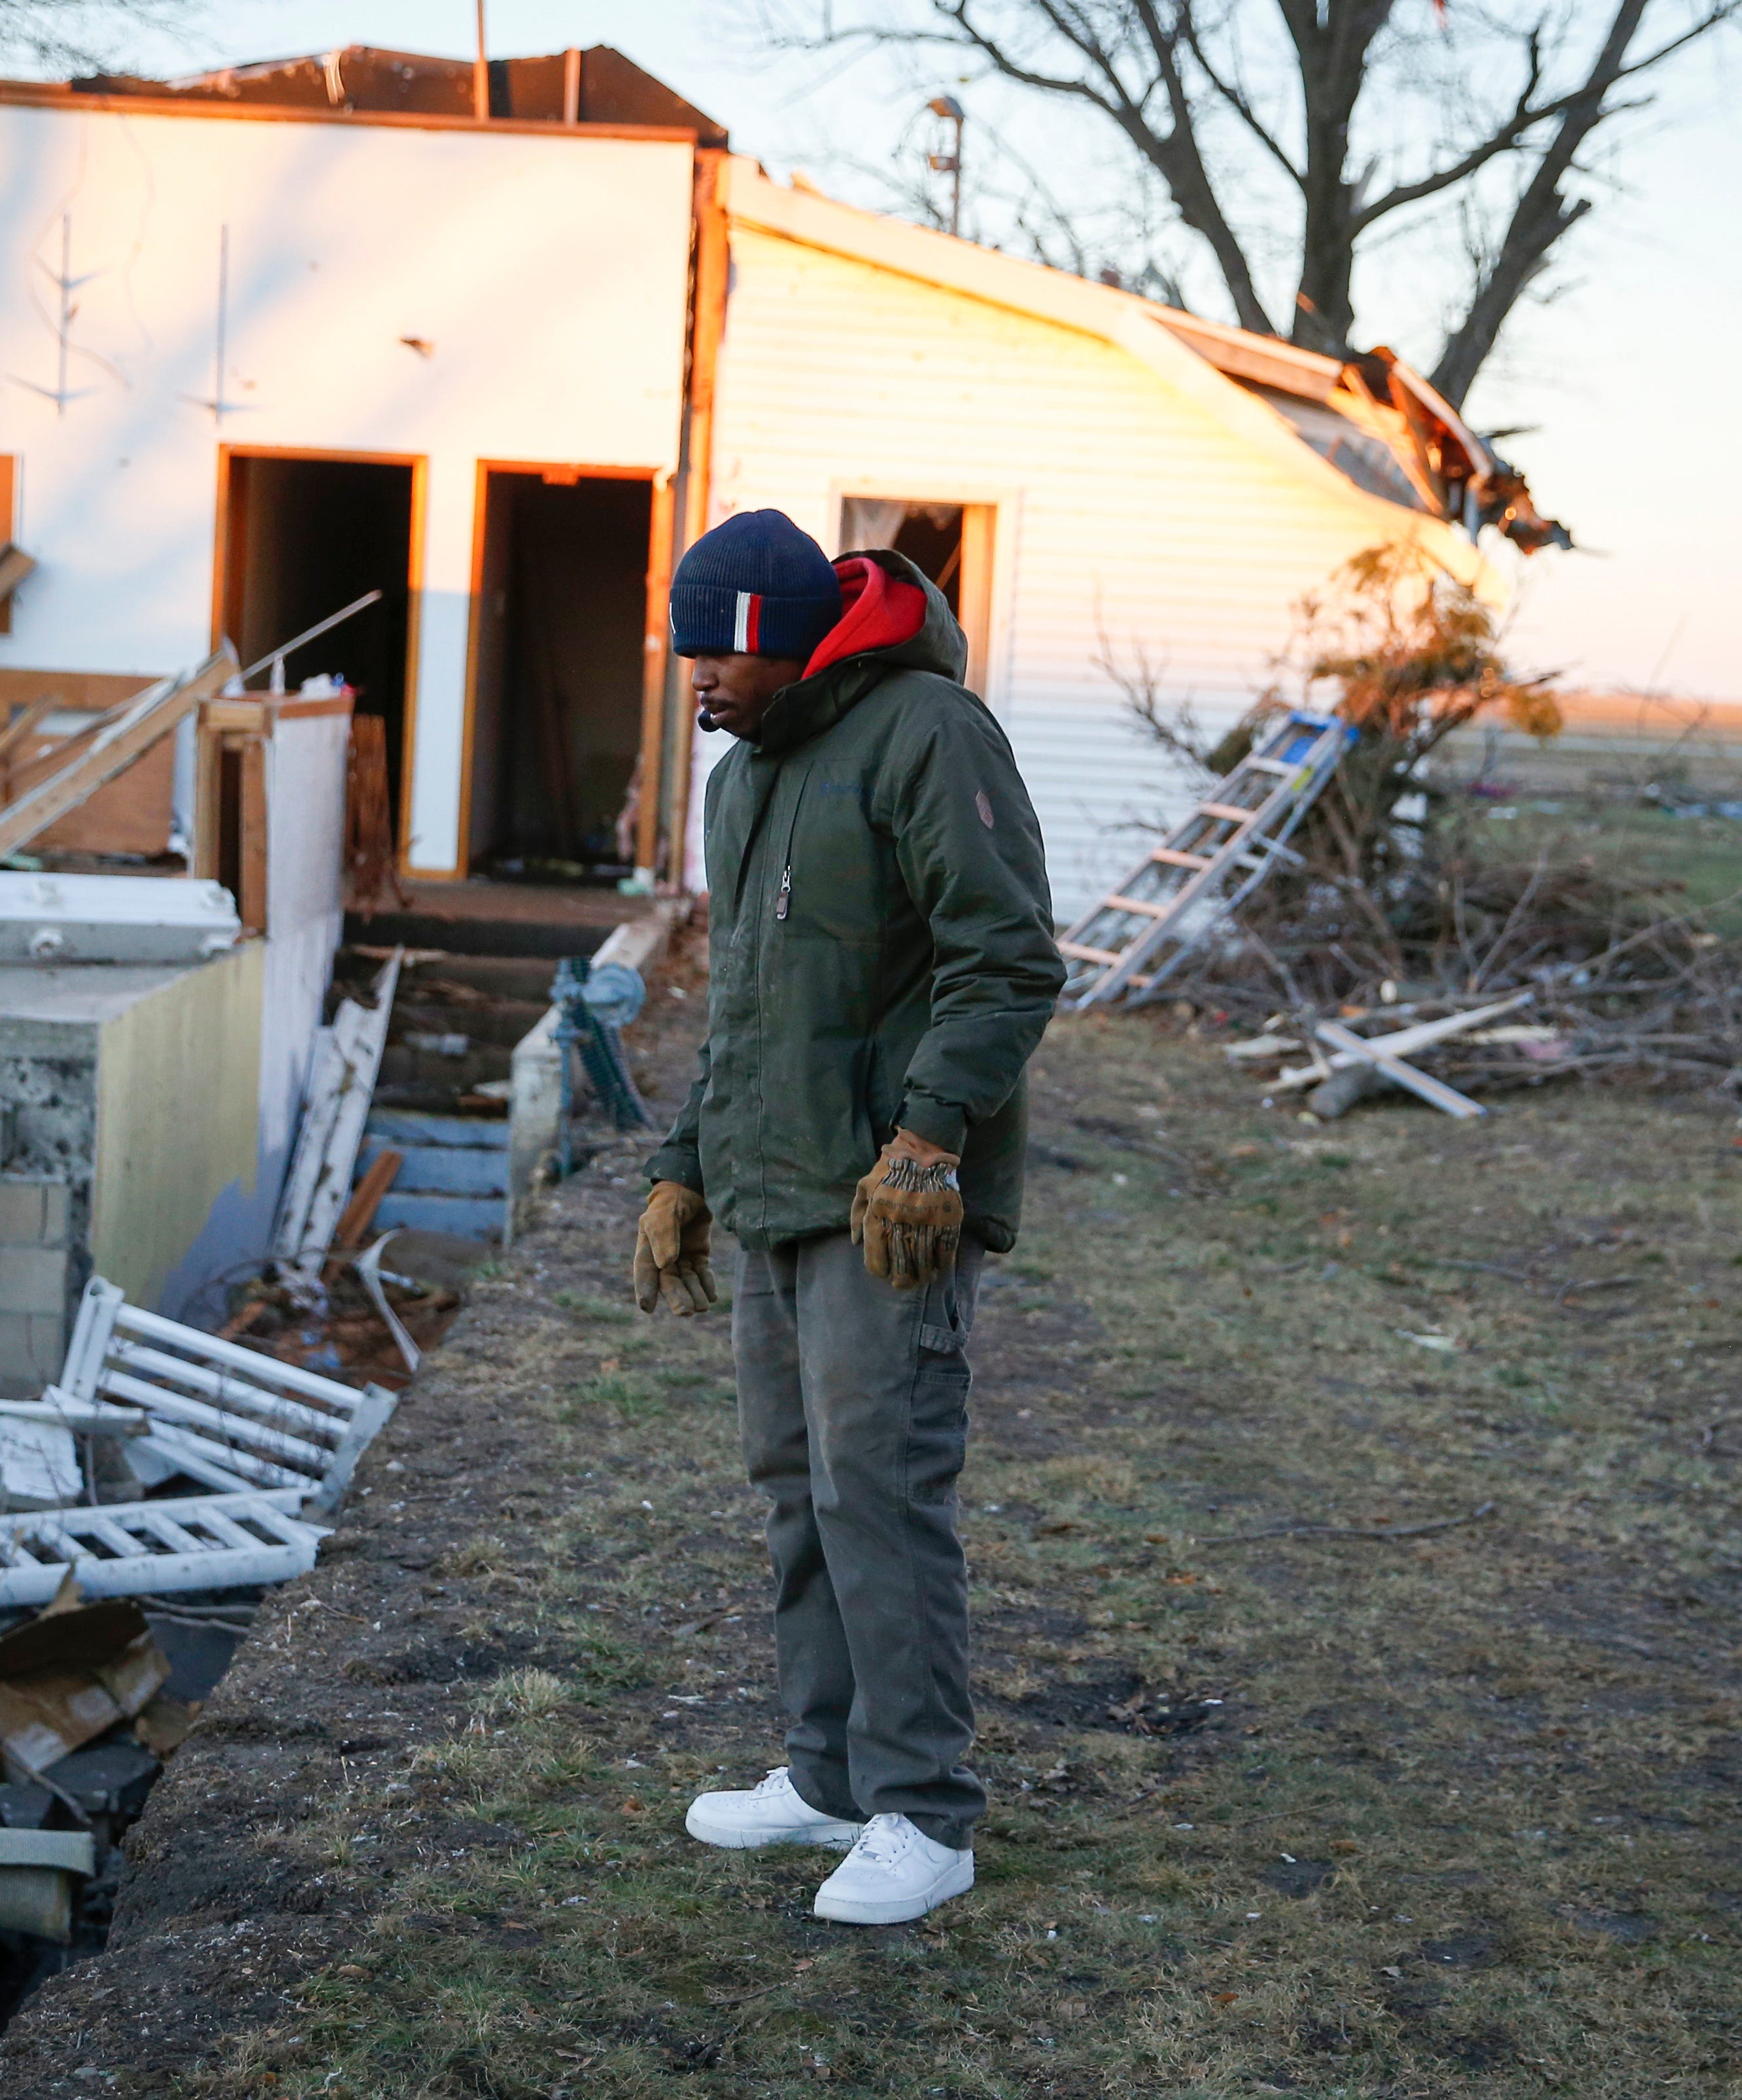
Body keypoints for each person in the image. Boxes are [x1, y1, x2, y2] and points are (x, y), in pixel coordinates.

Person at [630, 508, 1064, 1926]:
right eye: (684, 652)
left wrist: (927, 1140)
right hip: (779, 1187)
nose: (695, 681)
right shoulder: (745, 779)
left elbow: (1003, 958)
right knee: (792, 1488)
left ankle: (924, 1813)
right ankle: (823, 1775)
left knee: (878, 1491)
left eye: (716, 653)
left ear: (785, 640)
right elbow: (748, 999)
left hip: (890, 1202)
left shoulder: (928, 732)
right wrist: (683, 1166)